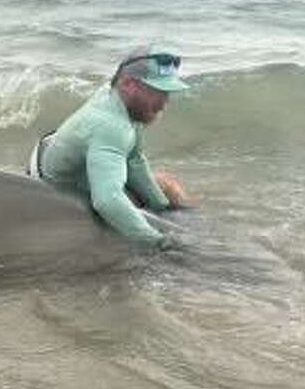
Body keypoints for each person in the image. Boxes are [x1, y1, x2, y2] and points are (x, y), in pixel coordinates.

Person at [28, 47, 191, 247]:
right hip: (52, 188)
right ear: (129, 84)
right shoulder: (111, 125)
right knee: (168, 188)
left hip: (52, 152)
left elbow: (135, 159)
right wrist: (159, 243)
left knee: (166, 192)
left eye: (168, 93)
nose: (165, 103)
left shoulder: (118, 99)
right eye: (158, 92)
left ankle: (176, 217)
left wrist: (163, 208)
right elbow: (107, 201)